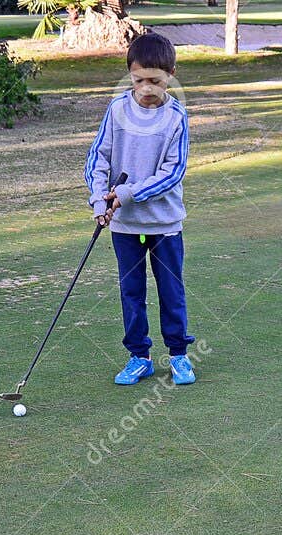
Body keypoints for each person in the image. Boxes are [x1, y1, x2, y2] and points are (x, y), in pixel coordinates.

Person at [85, 32, 195, 386]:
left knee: (170, 290)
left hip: (164, 223)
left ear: (171, 75)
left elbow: (172, 173)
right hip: (124, 225)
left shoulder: (177, 117)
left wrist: (127, 193)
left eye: (155, 81)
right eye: (138, 80)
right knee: (131, 292)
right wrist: (99, 197)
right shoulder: (117, 109)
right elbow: (98, 157)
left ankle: (178, 355)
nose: (146, 88)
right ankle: (139, 357)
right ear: (129, 75)